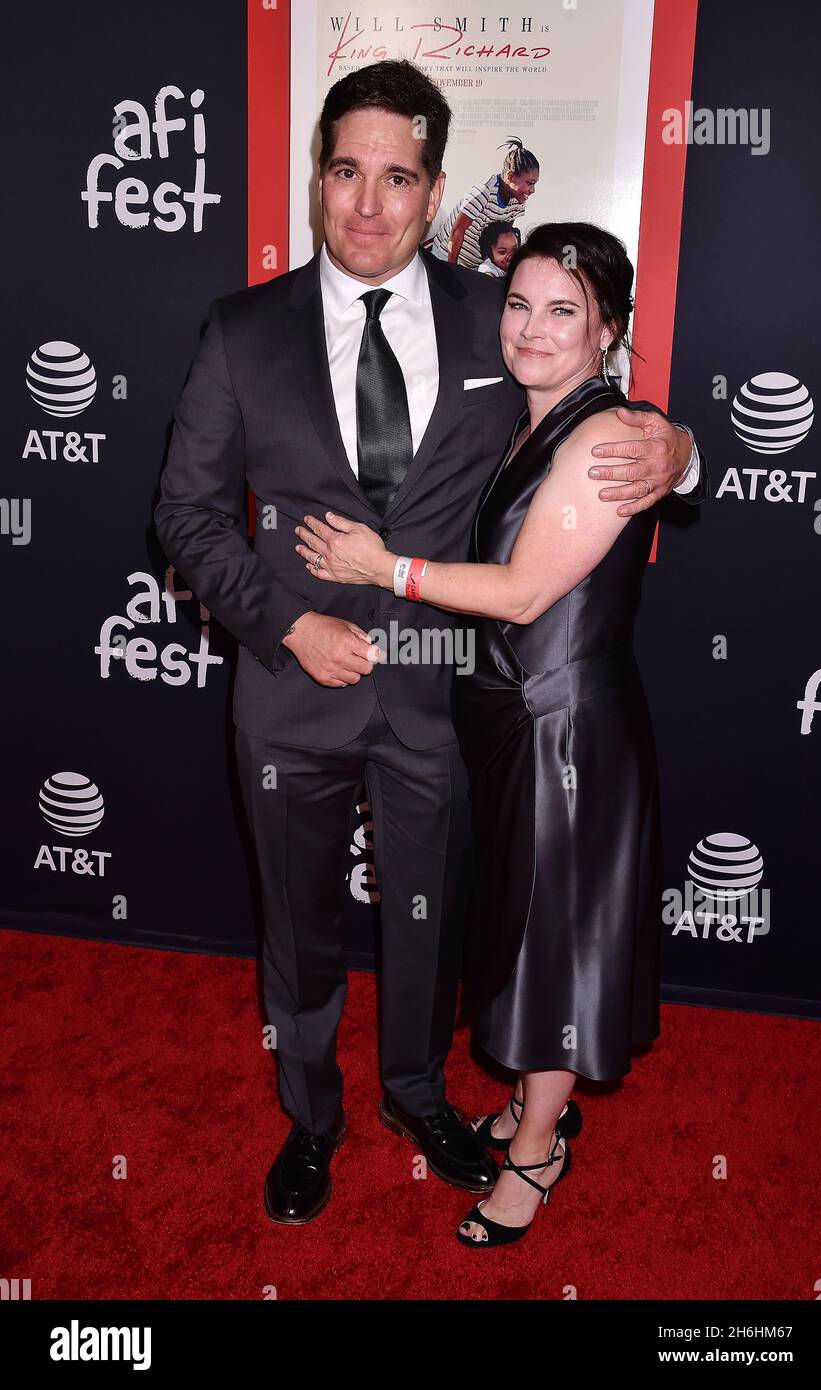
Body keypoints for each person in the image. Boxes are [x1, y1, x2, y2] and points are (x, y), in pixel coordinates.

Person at [155, 59, 705, 1229]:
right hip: (288, 694)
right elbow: (187, 515)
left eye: (395, 176)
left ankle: (417, 1093)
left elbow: (589, 400)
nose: (367, 201)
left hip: (442, 700)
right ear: (317, 179)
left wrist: (681, 448)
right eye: (345, 170)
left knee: (431, 921)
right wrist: (286, 622)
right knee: (296, 932)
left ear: (434, 187)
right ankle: (313, 1117)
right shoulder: (240, 330)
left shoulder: (492, 318)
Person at [294, 221, 685, 1247]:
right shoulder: (525, 418)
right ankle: (532, 1105)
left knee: (556, 945)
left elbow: (519, 593)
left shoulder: (606, 435)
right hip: (515, 723)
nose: (533, 328)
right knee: (523, 928)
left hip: (567, 735)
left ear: (608, 327)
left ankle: (537, 1150)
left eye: (564, 310)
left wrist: (385, 570)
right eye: (520, 304)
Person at [430, 137, 538, 268]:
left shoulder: (518, 201)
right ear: (510, 177)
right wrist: (452, 269)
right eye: (529, 183)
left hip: (474, 264)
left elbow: (503, 237)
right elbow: (457, 231)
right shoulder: (484, 192)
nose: (532, 190)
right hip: (446, 256)